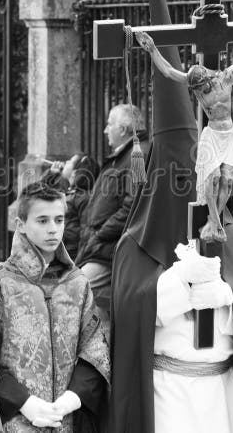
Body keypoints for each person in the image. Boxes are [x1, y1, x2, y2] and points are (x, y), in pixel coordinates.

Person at [110, 0, 233, 433]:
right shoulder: (135, 246)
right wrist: (175, 289)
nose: (187, 191)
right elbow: (128, 319)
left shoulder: (229, 235)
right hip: (166, 396)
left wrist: (225, 296)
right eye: (177, 178)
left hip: (222, 397)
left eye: (193, 179)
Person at [0, 181, 109, 432]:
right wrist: (24, 401)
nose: (53, 229)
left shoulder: (78, 283)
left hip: (67, 420)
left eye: (59, 220)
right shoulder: (1, 282)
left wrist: (73, 398)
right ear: (21, 225)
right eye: (42, 220)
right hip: (15, 421)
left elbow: (95, 348)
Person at [135, 19, 233, 243]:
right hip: (212, 133)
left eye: (203, 88)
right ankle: (215, 222)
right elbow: (168, 71)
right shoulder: (194, 86)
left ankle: (214, 222)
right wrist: (152, 49)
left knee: (227, 180)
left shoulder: (225, 78)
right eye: (196, 90)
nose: (200, 93)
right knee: (212, 177)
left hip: (229, 133)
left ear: (209, 79)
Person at [77, 103, 149, 327]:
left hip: (110, 250)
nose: (105, 130)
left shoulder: (137, 155)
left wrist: (100, 234)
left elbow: (133, 204)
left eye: (110, 124)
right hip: (102, 247)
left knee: (77, 290)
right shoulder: (126, 155)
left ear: (125, 128)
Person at [43, 152, 100, 261]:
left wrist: (78, 262)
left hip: (72, 256)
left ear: (76, 171)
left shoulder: (84, 198)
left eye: (69, 161)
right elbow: (39, 197)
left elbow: (86, 233)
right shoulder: (69, 192)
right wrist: (51, 174)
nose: (65, 163)